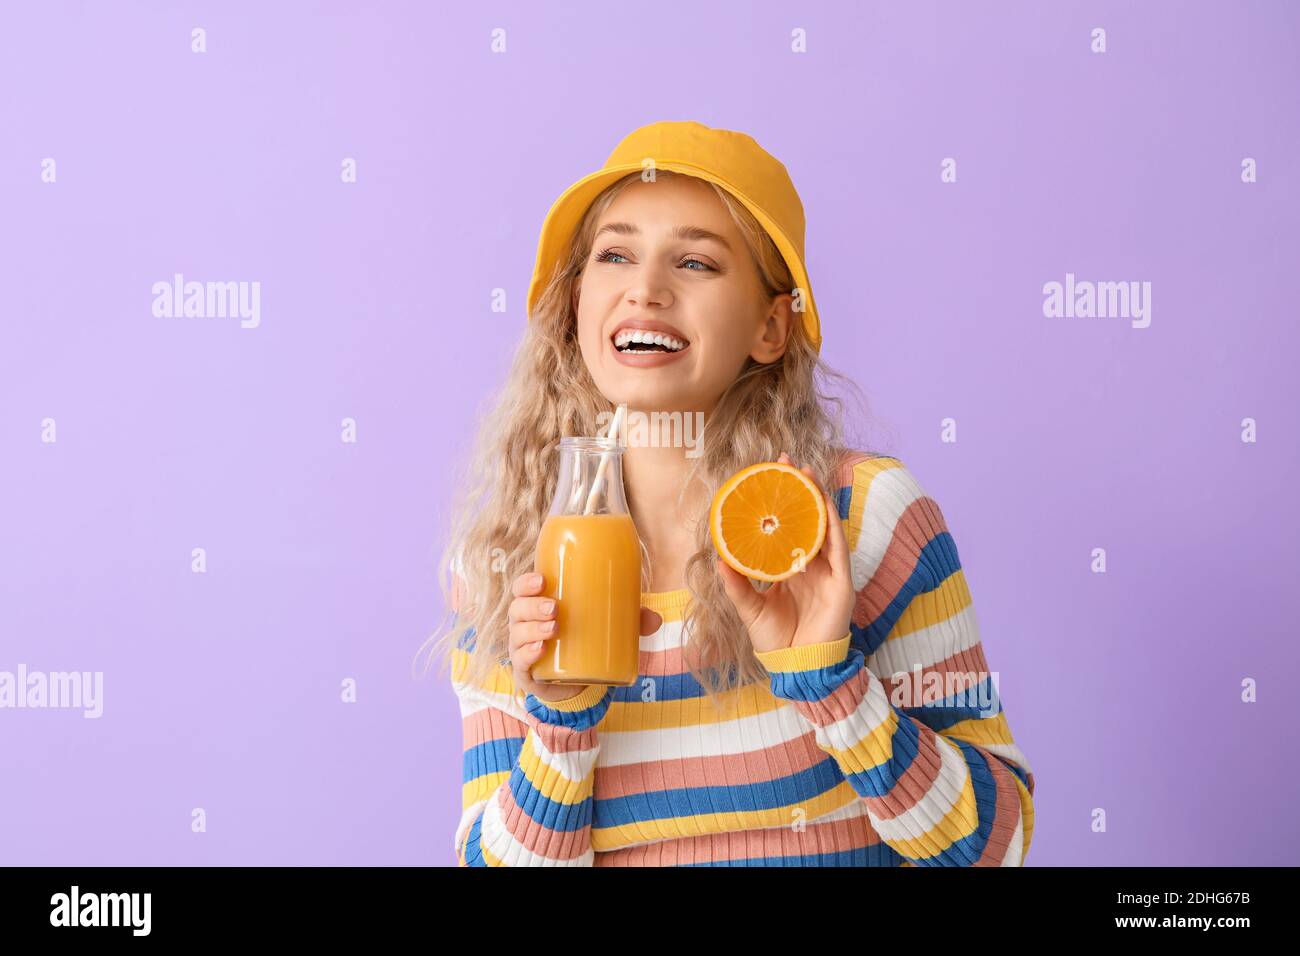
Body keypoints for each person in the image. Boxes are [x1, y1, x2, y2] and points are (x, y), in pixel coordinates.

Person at [425, 120, 1035, 866]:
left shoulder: (859, 515)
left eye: (696, 263)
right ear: (576, 302)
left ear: (772, 327)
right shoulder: (505, 557)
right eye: (615, 254)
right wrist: (561, 724)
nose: (645, 289)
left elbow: (994, 847)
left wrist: (830, 685)